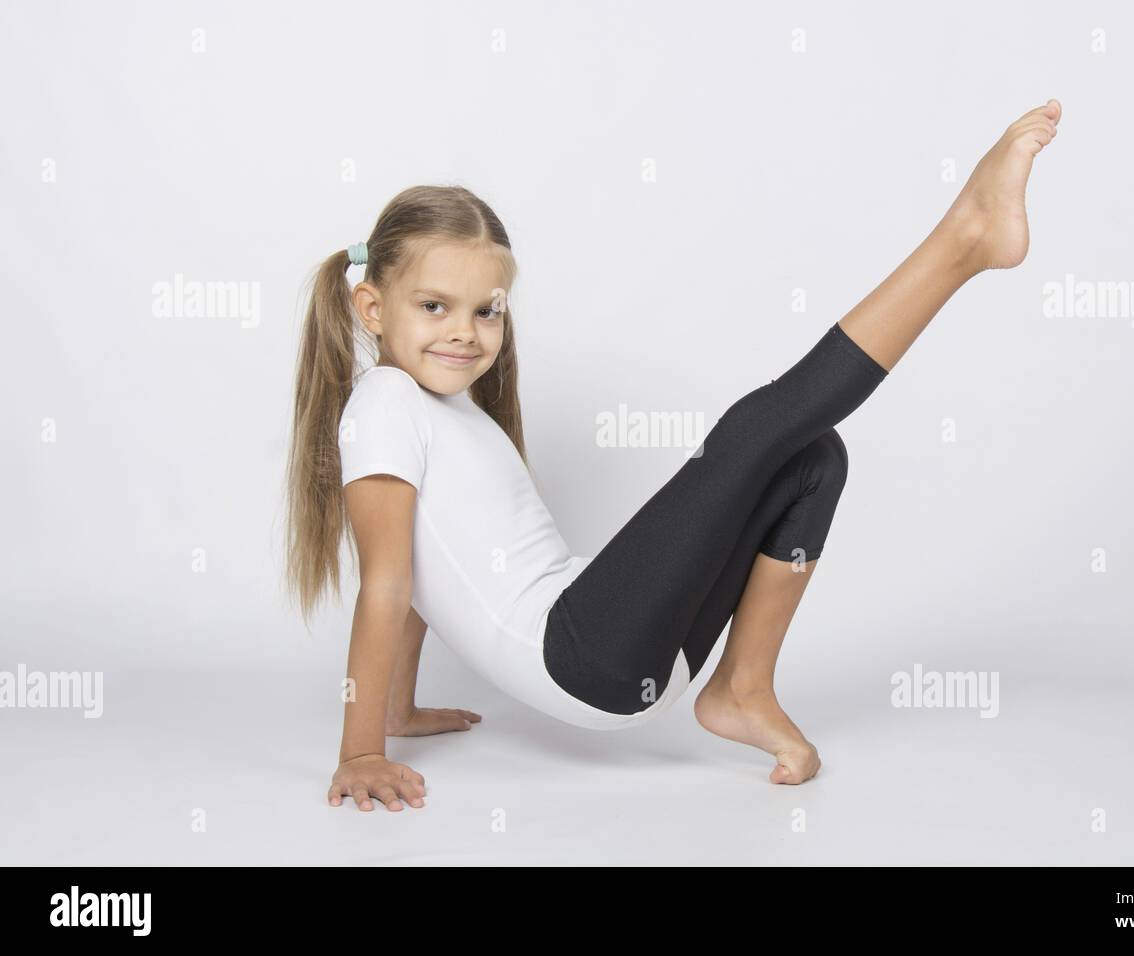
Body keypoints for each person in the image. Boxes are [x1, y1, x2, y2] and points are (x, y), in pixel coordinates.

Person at [283, 99, 1063, 810]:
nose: (465, 330)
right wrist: (361, 748)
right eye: (434, 307)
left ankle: (741, 688)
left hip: (634, 652)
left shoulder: (442, 411)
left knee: (809, 457)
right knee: (758, 429)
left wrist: (400, 708)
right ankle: (962, 241)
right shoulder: (383, 403)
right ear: (370, 308)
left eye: (486, 310)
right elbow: (386, 582)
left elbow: (422, 573)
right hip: (585, 656)